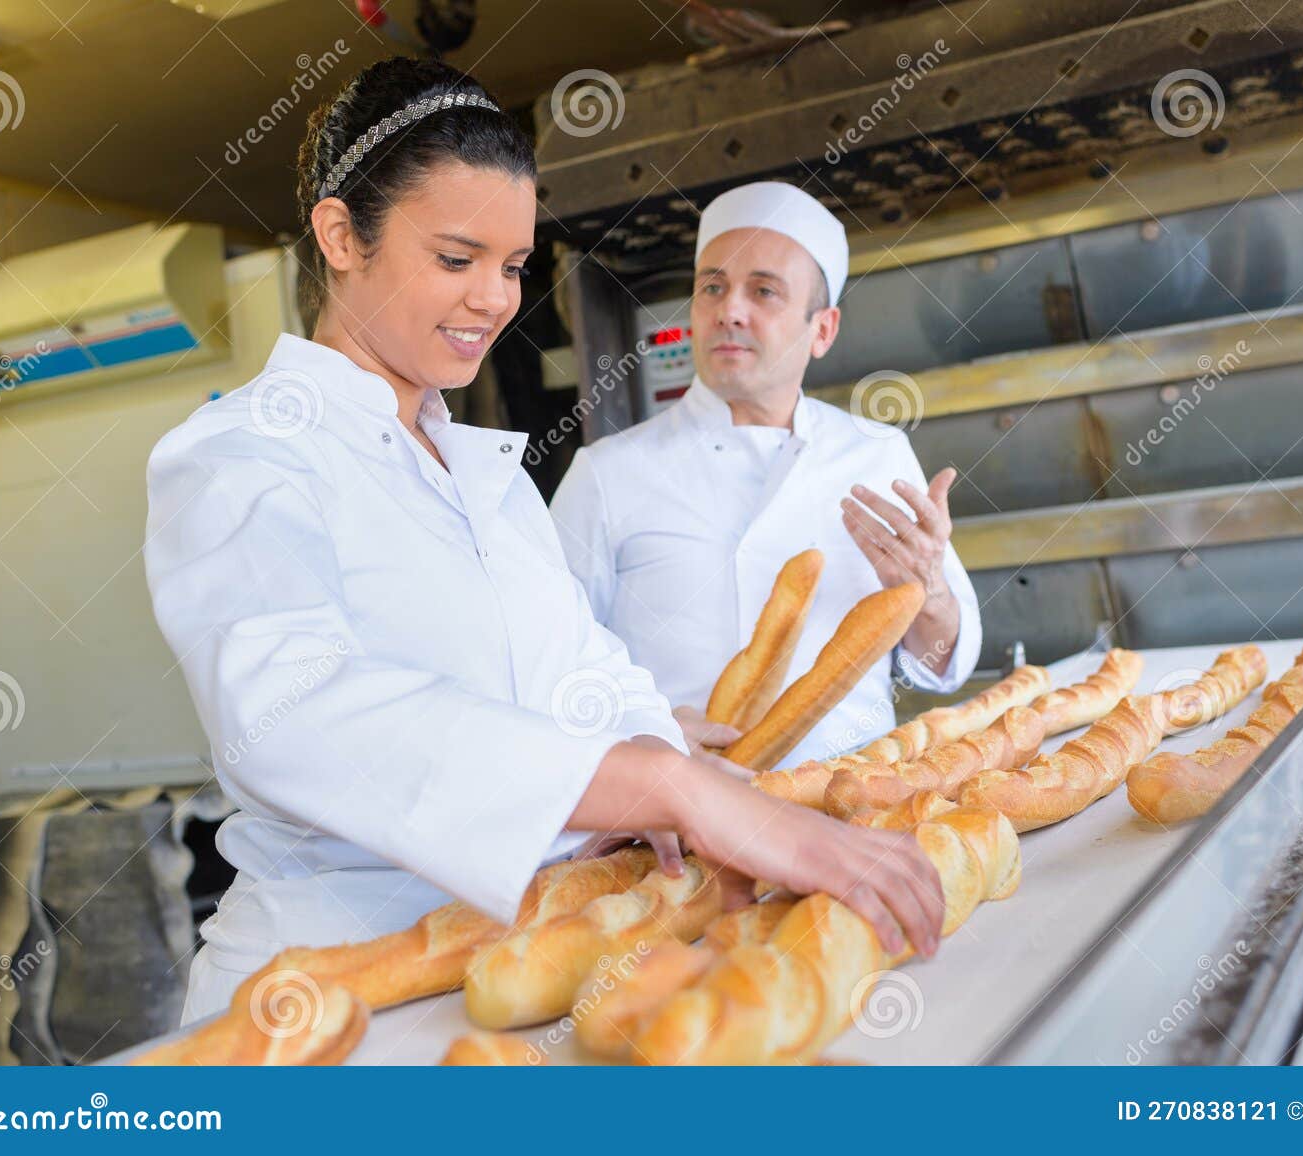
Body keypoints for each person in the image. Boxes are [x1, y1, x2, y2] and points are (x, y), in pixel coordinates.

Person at [143, 59, 942, 1024]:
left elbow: (583, 669)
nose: (493, 299)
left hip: (508, 958)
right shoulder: (240, 455)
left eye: (515, 266)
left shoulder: (483, 475)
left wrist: (667, 769)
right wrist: (665, 786)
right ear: (340, 233)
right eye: (456, 259)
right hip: (324, 988)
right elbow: (297, 710)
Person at [550, 181, 983, 767]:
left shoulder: (876, 454)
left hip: (857, 801)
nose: (730, 310)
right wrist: (637, 730)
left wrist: (930, 592)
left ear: (822, 330)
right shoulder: (606, 474)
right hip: (678, 820)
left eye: (764, 291)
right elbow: (545, 663)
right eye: (713, 287)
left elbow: (937, 668)